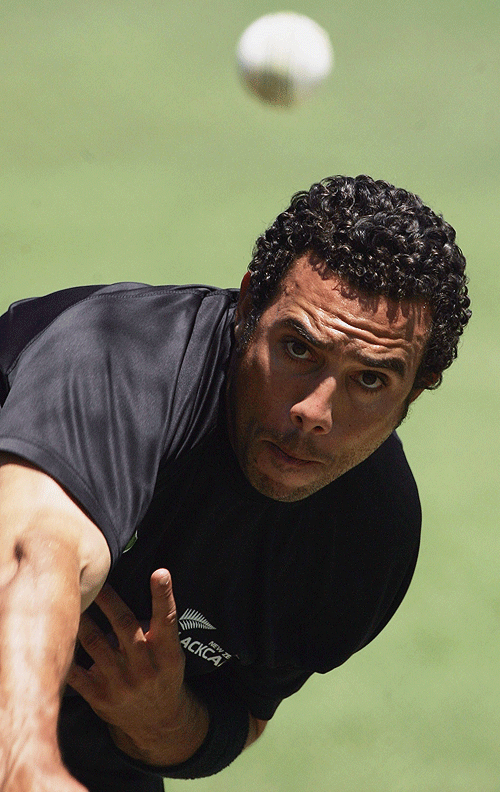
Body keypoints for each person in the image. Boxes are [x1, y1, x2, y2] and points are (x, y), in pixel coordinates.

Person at [0, 175, 470, 792]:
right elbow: (36, 555)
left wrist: (158, 717)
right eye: (298, 349)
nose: (315, 411)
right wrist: (27, 764)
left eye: (371, 381)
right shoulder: (118, 357)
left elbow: (240, 717)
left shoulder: (368, 533)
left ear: (419, 386)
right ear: (250, 305)